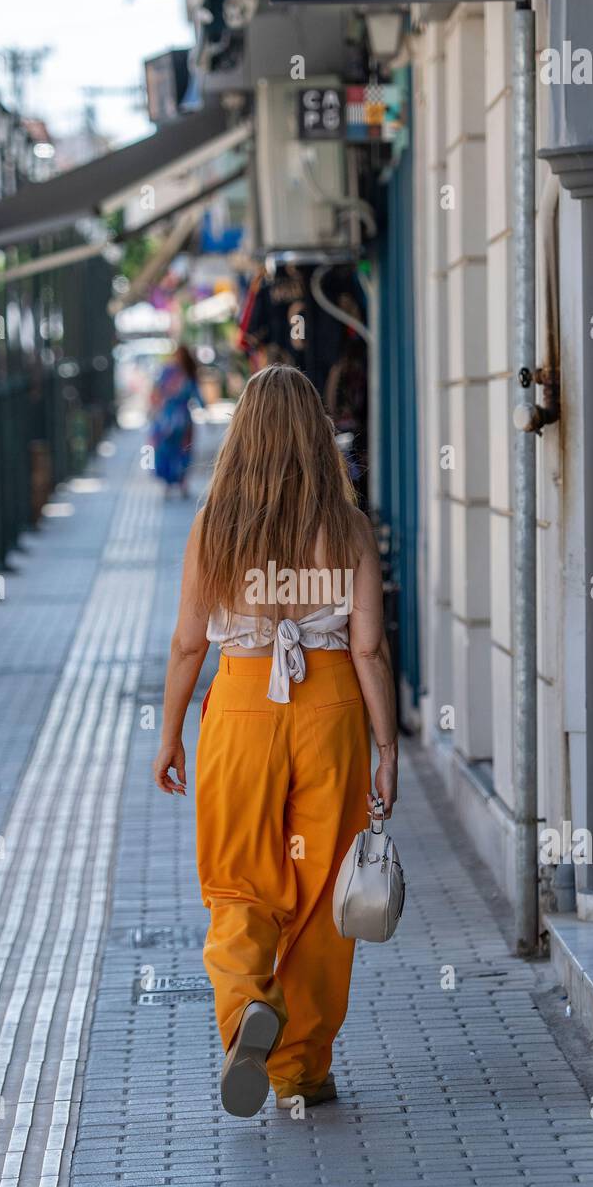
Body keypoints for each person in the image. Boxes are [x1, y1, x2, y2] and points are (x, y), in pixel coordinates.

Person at [152, 364, 398, 1118]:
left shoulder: (214, 524)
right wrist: (387, 748)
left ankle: (247, 1013)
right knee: (326, 895)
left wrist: (169, 736)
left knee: (238, 885)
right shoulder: (348, 525)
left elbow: (189, 645)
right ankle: (299, 1069)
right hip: (327, 708)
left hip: (240, 706)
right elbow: (369, 650)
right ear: (314, 431)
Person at [148, 345, 201, 496]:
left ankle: (170, 484)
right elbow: (199, 398)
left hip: (167, 419)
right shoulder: (189, 374)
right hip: (183, 419)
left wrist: (156, 407)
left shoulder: (167, 371)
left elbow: (155, 392)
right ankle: (181, 483)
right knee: (183, 451)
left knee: (167, 450)